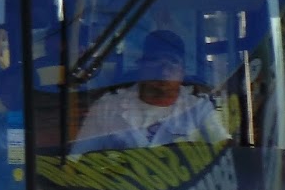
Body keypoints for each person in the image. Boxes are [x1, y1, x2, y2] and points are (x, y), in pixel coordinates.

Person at [72, 29, 230, 154]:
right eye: (155, 61)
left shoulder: (199, 109)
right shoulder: (107, 108)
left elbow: (225, 153)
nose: (164, 70)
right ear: (141, 67)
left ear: (182, 72)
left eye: (172, 63)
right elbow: (76, 159)